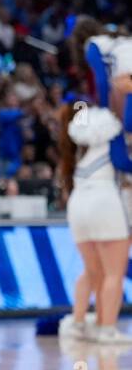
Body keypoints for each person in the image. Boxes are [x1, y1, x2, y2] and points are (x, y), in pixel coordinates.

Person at [57, 102, 132, 344]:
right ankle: (107, 329)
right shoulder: (114, 145)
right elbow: (124, 165)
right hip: (104, 206)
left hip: (78, 208)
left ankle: (78, 323)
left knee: (92, 271)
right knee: (113, 273)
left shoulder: (80, 154)